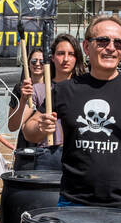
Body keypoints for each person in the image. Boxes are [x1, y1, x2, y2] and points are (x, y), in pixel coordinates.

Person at [25, 14, 121, 209]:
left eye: (118, 43)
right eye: (103, 41)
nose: (111, 47)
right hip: (74, 202)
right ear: (86, 47)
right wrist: (40, 126)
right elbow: (28, 131)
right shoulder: (65, 90)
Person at [14, 35, 83, 170]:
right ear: (52, 57)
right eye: (60, 53)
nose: (66, 59)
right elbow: (21, 126)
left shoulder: (84, 89)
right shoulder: (39, 89)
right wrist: (23, 101)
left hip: (78, 154)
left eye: (71, 54)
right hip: (48, 155)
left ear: (77, 58)